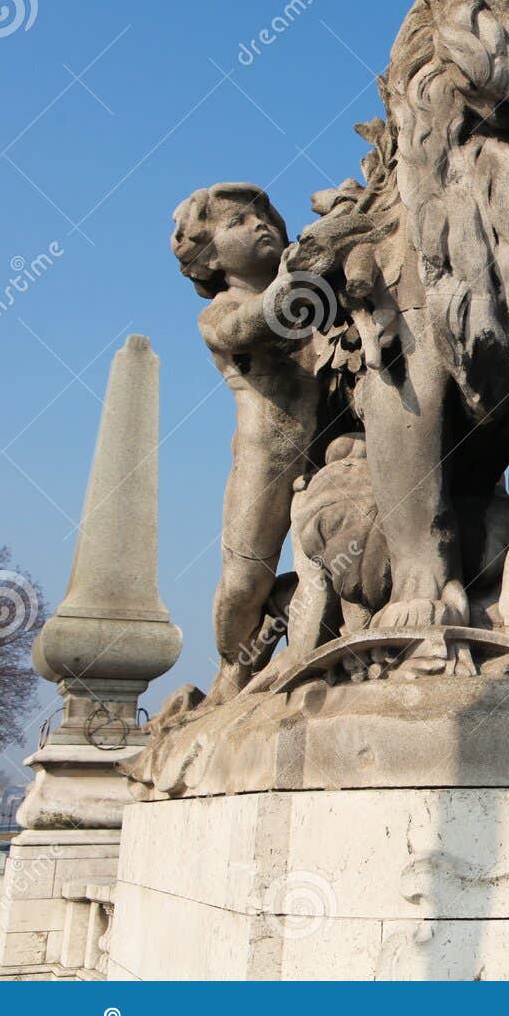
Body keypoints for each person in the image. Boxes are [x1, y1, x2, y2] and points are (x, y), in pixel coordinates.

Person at [171, 182, 326, 701]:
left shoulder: (322, 300)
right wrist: (299, 273)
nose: (262, 226)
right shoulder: (218, 312)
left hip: (332, 451)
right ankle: (232, 665)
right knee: (244, 582)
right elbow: (249, 329)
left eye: (267, 218)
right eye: (238, 221)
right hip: (266, 460)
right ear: (208, 257)